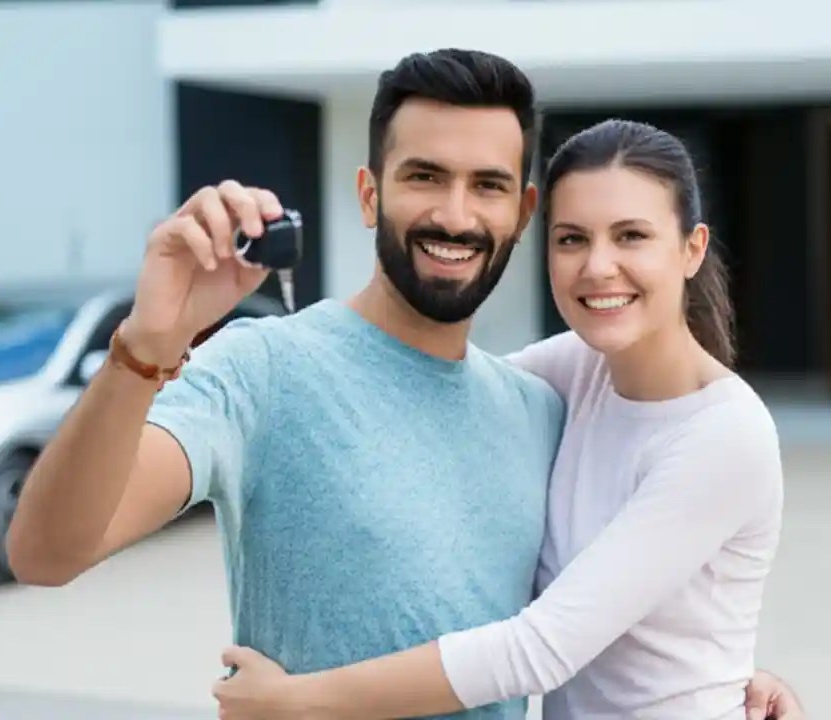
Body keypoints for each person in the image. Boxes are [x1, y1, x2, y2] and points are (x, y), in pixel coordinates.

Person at [5, 47, 800, 720]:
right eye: (425, 176)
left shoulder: (534, 403)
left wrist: (719, 678)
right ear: (368, 193)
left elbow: (592, 612)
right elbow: (45, 554)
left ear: (520, 213)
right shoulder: (265, 369)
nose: (455, 215)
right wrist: (145, 348)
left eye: (487, 185)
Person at [211, 118, 796, 720]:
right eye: (571, 239)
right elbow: (429, 391)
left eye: (631, 236)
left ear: (691, 249)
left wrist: (297, 702)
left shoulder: (724, 434)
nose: (598, 266)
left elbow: (541, 648)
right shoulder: (576, 369)